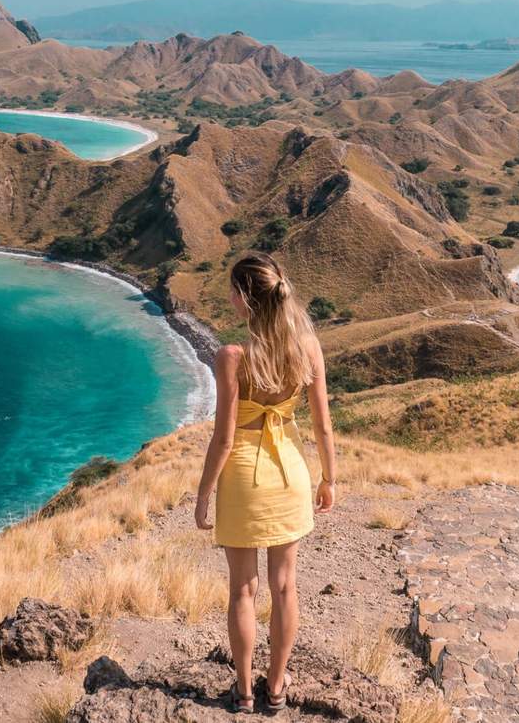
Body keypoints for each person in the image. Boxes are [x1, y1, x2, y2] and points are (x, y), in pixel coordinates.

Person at [195, 253, 336, 712]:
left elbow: (222, 438)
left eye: (232, 291)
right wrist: (329, 478)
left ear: (244, 299)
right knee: (285, 587)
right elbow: (323, 425)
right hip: (290, 472)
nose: (229, 299)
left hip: (243, 476)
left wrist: (202, 497)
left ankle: (244, 692)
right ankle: (276, 689)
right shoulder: (307, 348)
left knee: (242, 589)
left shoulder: (232, 357)